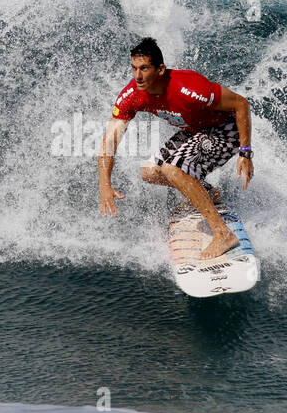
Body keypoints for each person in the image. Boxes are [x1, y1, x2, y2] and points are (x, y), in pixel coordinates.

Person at [97, 37, 254, 260]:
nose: (138, 76)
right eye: (134, 69)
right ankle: (208, 193)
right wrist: (105, 183)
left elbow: (240, 103)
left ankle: (223, 234)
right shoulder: (132, 95)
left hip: (227, 129)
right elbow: (109, 140)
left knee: (173, 169)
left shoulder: (189, 89)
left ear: (160, 69)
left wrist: (245, 153)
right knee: (150, 172)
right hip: (197, 129)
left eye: (144, 69)